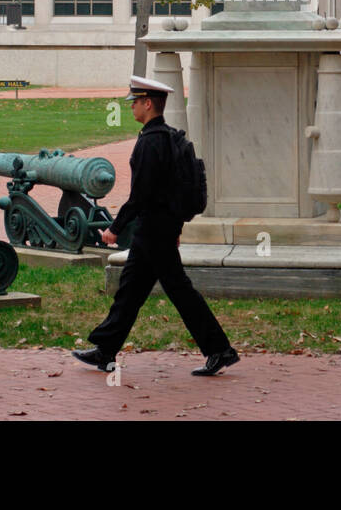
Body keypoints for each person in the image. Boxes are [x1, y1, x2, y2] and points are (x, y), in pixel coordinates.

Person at [74, 76, 237, 376]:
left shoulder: (151, 142)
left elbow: (141, 195)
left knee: (177, 291)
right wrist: (175, 228)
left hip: (152, 232)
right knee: (131, 292)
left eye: (135, 101)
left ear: (148, 104)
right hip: (158, 231)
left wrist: (115, 228)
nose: (132, 106)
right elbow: (172, 191)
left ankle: (219, 349)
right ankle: (106, 350)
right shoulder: (169, 138)